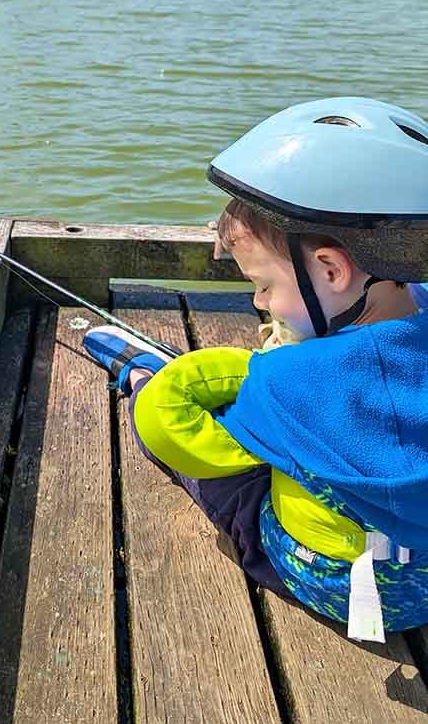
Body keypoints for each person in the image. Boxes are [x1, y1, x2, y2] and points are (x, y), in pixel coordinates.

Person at [83, 97, 428, 643]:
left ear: (332, 270)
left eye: (265, 286)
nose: (259, 303)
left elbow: (189, 438)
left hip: (340, 588)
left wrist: (157, 395)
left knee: (230, 477)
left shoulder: (286, 383)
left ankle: (138, 376)